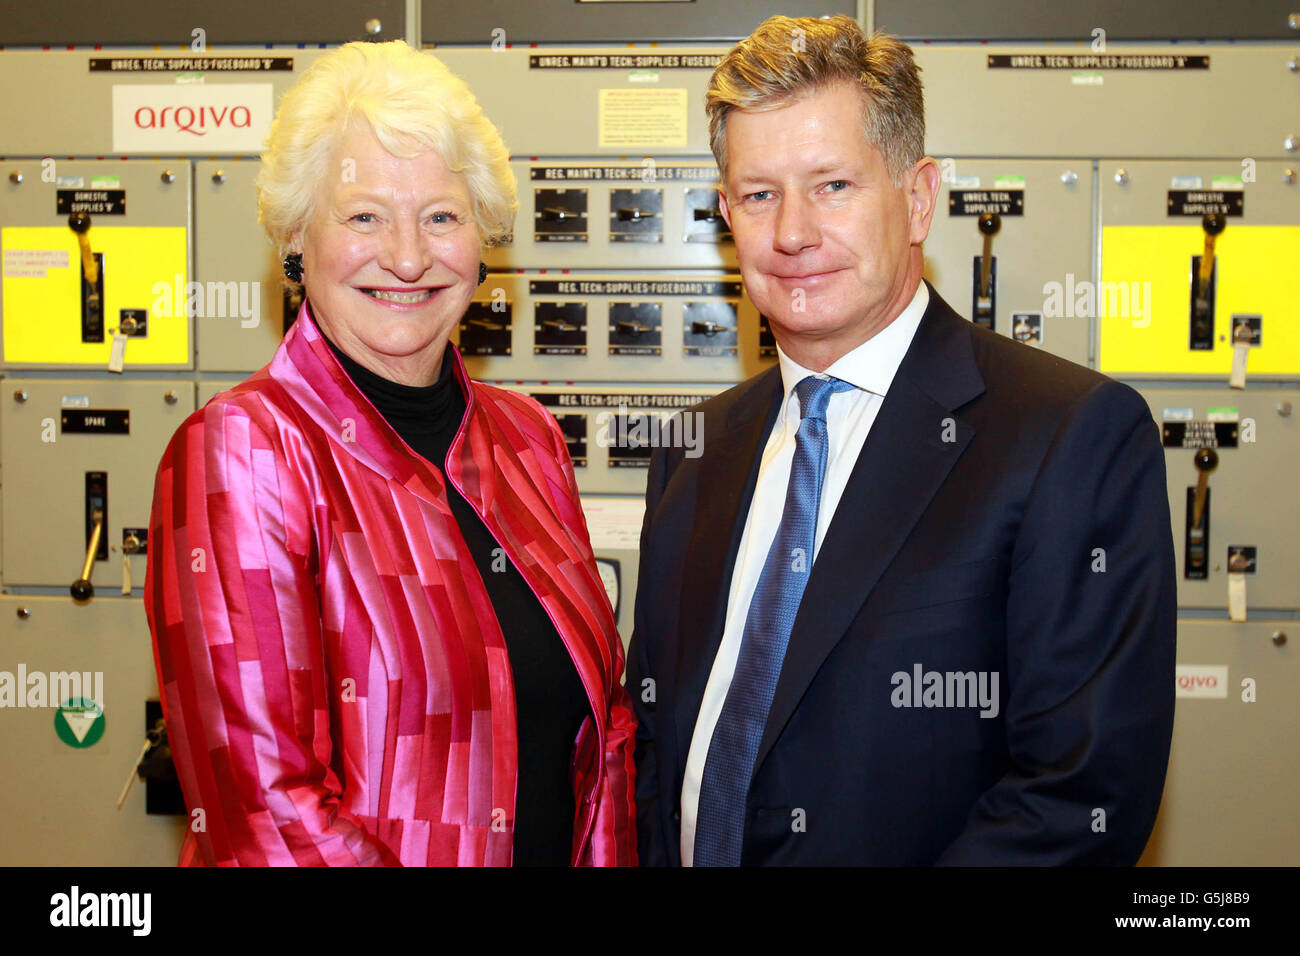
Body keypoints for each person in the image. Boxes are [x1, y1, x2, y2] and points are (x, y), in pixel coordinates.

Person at [627, 16, 1175, 866]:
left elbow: (1077, 795)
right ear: (726, 212)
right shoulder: (695, 449)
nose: (794, 233)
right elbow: (656, 743)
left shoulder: (1068, 436)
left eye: (834, 185)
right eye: (759, 193)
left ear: (918, 198)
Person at [144, 39, 635, 866]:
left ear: (483, 241)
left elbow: (604, 745)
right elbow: (268, 821)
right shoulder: (244, 450)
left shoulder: (528, 440)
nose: (407, 256)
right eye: (364, 215)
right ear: (297, 238)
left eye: (441, 216)